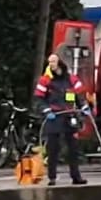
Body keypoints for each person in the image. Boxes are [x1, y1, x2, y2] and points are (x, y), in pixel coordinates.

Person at [33, 54, 89, 186]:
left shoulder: (71, 79)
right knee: (53, 148)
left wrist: (84, 106)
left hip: (69, 116)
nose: (50, 64)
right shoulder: (45, 80)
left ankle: (76, 176)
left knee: (73, 148)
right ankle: (52, 177)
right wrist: (46, 110)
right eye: (49, 62)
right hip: (54, 117)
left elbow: (79, 95)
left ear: (59, 62)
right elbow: (39, 99)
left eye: (53, 61)